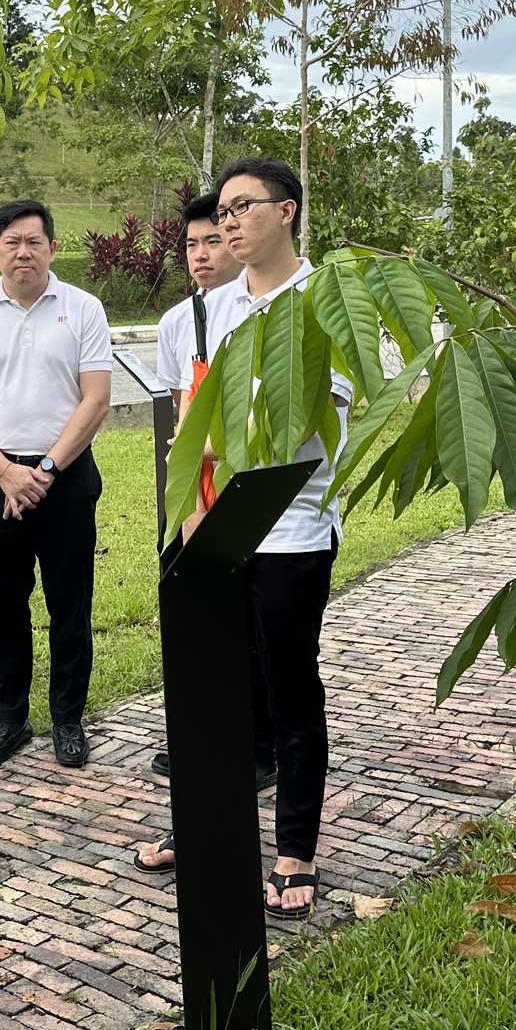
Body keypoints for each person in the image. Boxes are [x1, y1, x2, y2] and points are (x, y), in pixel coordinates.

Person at [132, 157, 351, 920]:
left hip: (290, 527)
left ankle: (296, 851)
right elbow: (194, 417)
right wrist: (193, 523)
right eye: (220, 211)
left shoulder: (325, 300)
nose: (225, 223)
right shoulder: (221, 307)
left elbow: (306, 425)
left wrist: (222, 448)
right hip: (219, 530)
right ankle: (207, 825)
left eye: (241, 206)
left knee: (289, 693)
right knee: (214, 691)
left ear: (286, 211)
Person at [0, 199, 113, 768]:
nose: (24, 252)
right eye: (12, 242)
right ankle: (10, 720)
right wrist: (5, 471)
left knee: (71, 603)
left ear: (52, 248)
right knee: (5, 606)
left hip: (64, 478)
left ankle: (68, 719)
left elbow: (96, 399)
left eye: (34, 241)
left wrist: (43, 471)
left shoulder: (84, 309)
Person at [146, 192, 252, 784]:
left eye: (213, 240)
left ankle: (255, 741)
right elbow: (174, 414)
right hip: (190, 490)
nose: (201, 254)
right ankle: (200, 728)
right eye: (191, 244)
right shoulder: (175, 322)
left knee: (248, 628)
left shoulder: (259, 311)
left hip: (244, 487)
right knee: (192, 618)